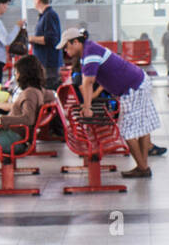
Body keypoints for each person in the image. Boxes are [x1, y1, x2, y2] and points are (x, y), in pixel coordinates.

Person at [59, 27, 161, 178]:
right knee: (141, 127)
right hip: (137, 81)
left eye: (66, 46)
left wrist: (87, 108)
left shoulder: (89, 53)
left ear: (75, 42)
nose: (65, 51)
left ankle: (143, 167)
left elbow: (88, 82)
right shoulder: (89, 49)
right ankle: (143, 166)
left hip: (133, 87)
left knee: (128, 130)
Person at [22, 0, 62, 90]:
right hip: (44, 62)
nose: (33, 2)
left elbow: (50, 39)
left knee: (48, 91)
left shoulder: (49, 15)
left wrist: (30, 38)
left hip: (48, 63)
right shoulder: (44, 16)